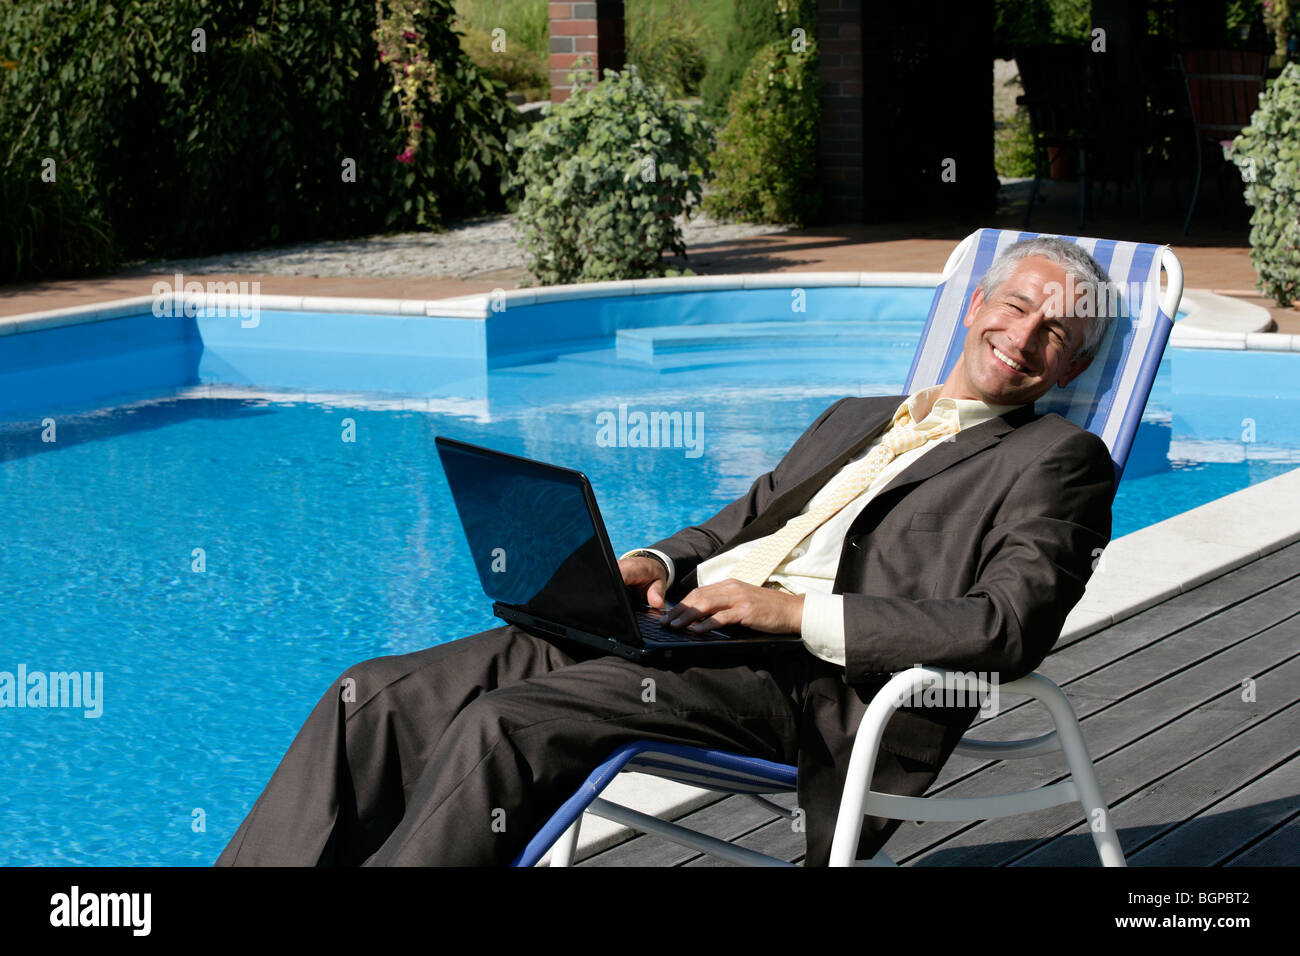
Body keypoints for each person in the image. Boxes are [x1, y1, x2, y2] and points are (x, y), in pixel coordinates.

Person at [216, 237, 1118, 867]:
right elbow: (741, 523)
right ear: (974, 307)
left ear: (1070, 371)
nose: (1026, 336)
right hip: (678, 628)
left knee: (506, 727)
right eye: (1016, 306)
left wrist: (793, 613)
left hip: (794, 680)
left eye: (1056, 334)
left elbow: (1007, 629)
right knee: (369, 694)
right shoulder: (857, 417)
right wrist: (657, 563)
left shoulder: (1058, 462)